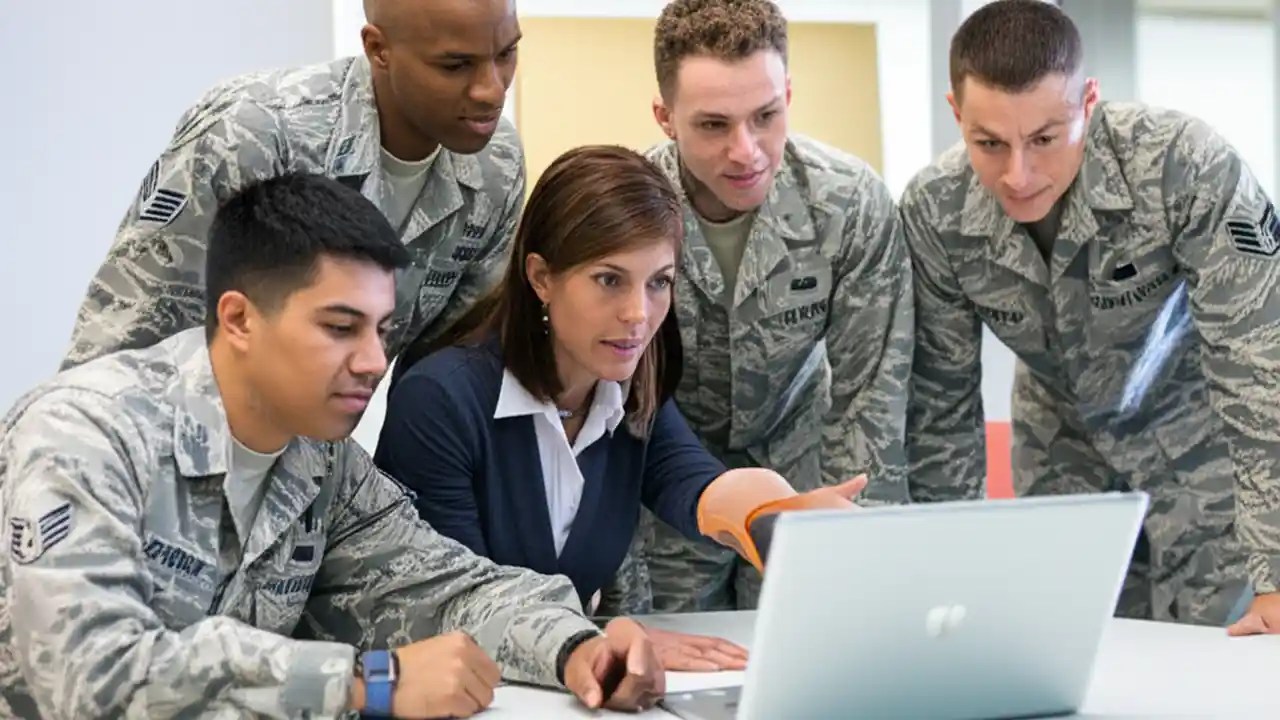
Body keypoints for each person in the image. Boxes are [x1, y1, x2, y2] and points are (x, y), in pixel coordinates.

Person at [0, 172, 665, 720]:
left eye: (381, 330)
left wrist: (578, 649)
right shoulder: (83, 434)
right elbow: (93, 674)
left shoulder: (319, 459)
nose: (374, 361)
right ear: (239, 319)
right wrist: (366, 683)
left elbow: (445, 587)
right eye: (341, 328)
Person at [373, 144, 868, 670]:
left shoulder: (629, 390)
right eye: (610, 280)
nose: (638, 314)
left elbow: (697, 484)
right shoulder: (439, 401)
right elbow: (459, 605)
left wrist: (775, 514)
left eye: (659, 283)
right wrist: (596, 639)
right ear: (541, 277)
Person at [902, 0, 1280, 634]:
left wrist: (1276, 571)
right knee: (1070, 647)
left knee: (1218, 653)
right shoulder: (935, 211)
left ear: (1089, 102)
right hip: (1061, 455)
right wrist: (950, 580)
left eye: (1045, 139)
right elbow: (941, 414)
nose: (1018, 175)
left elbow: (1259, 362)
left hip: (1204, 450)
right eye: (989, 143)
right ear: (956, 114)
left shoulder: (1182, 166)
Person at [630, 0, 917, 614]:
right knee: (678, 662)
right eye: (714, 125)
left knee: (815, 652)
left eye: (766, 116)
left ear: (788, 94)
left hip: (805, 477)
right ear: (665, 117)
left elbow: (871, 397)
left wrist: (864, 542)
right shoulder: (627, 212)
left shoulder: (848, 204)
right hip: (670, 490)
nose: (746, 151)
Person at [62, 0, 525, 380]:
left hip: (309, 453)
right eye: (455, 65)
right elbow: (115, 357)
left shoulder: (496, 167)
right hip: (171, 446)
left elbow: (443, 379)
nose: (491, 91)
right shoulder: (254, 133)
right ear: (378, 49)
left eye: (506, 54)